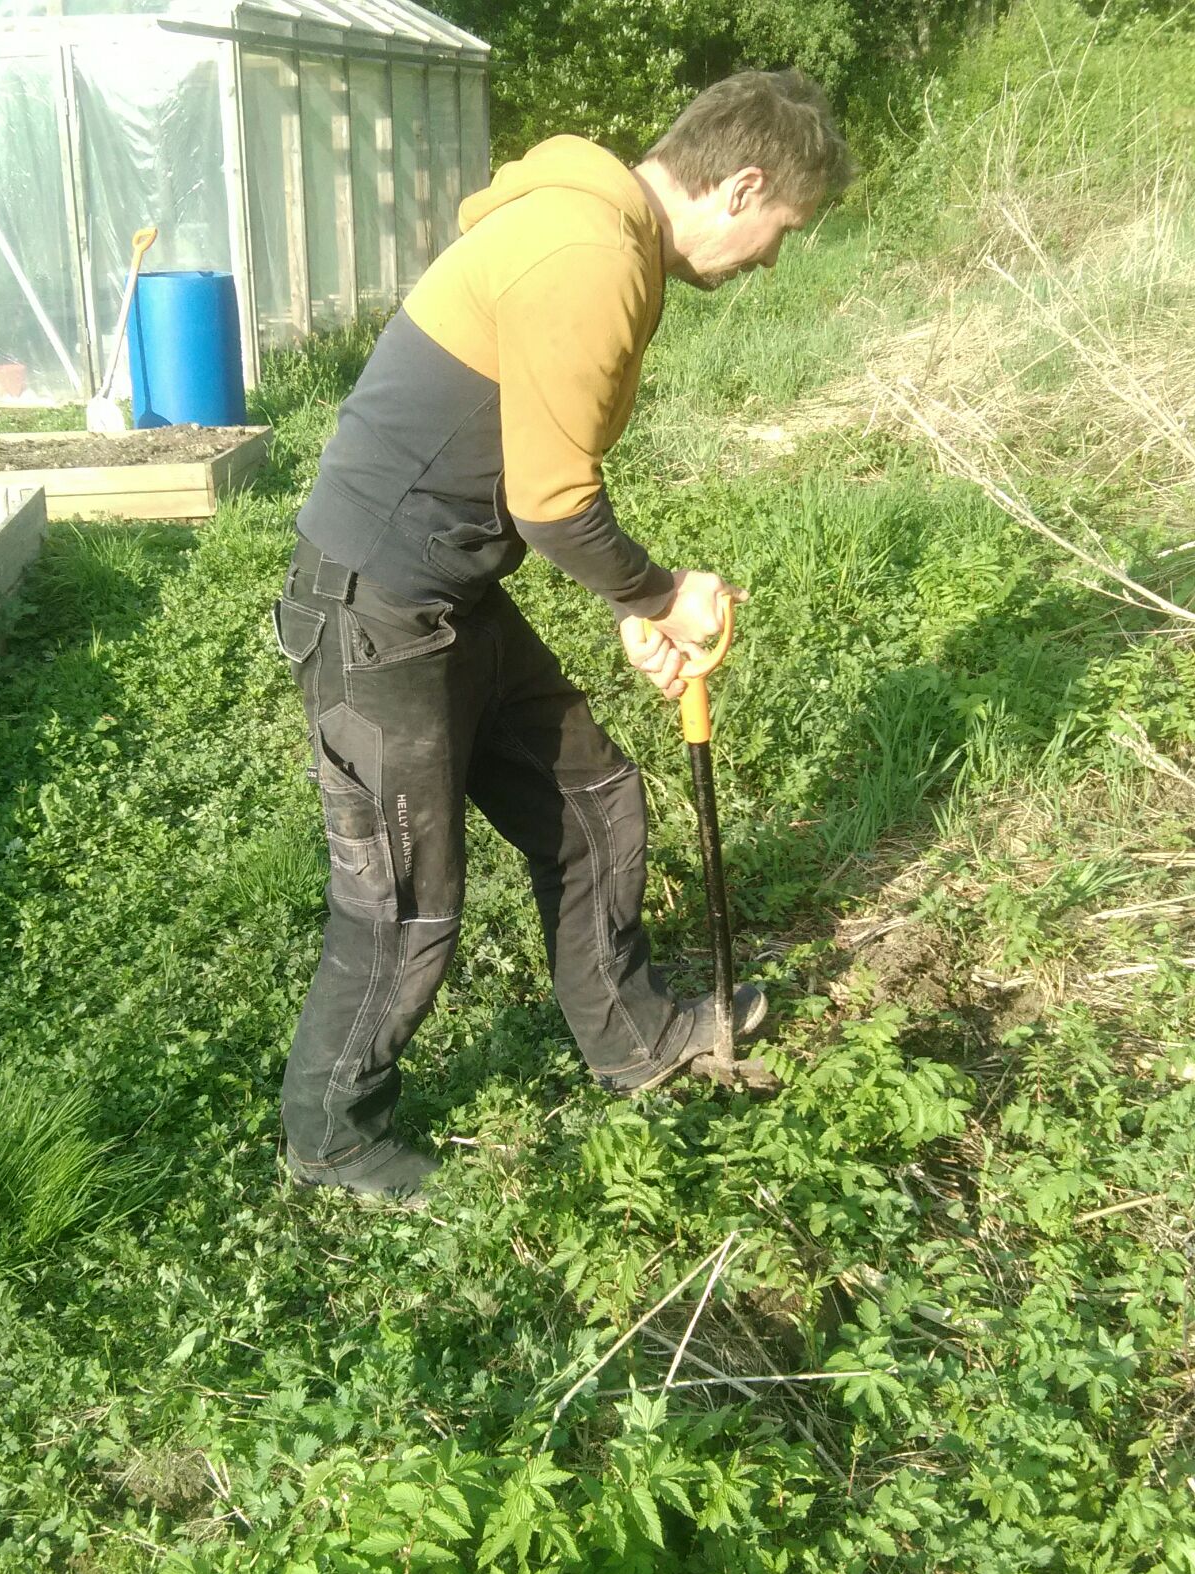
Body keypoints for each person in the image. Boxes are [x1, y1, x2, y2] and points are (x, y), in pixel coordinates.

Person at [272, 68, 852, 1204]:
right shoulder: (589, 252)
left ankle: (633, 1038)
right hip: (376, 609)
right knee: (405, 901)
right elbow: (552, 502)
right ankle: (331, 1137)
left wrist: (635, 598)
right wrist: (659, 594)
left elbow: (536, 471)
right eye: (782, 232)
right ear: (742, 188)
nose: (774, 259)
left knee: (591, 801)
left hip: (451, 596)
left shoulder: (604, 236)